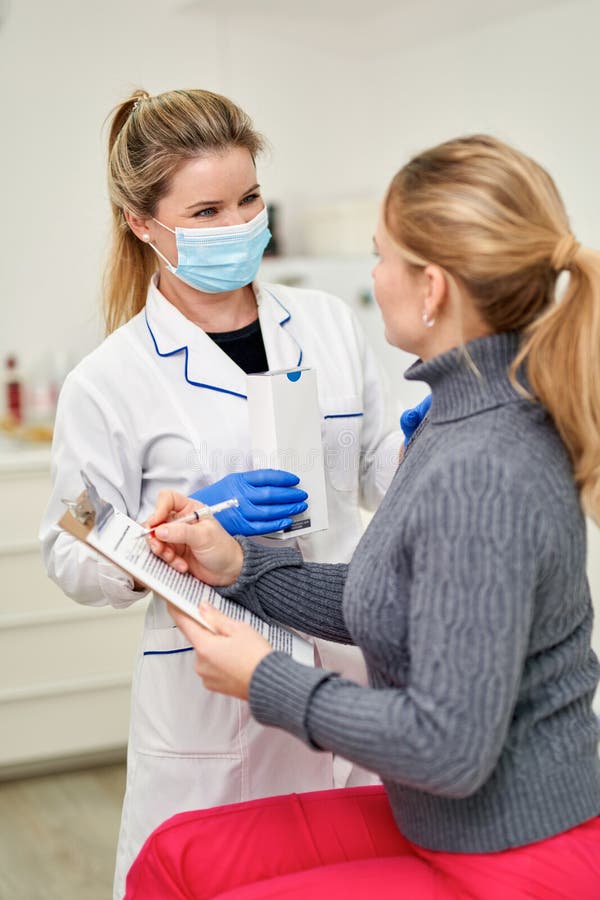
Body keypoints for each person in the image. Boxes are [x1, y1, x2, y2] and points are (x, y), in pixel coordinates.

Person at [125, 134, 600, 899]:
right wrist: (242, 567)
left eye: (381, 258)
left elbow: (448, 748)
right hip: (449, 823)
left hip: (514, 850)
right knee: (175, 853)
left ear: (433, 288)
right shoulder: (458, 417)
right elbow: (398, 596)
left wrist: (262, 678)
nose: (373, 279)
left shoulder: (482, 467)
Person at [39, 87, 418, 899]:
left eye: (249, 199)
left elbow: (384, 470)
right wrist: (190, 520)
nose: (238, 225)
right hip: (216, 691)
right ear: (143, 222)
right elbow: (72, 551)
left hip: (349, 665)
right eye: (206, 211)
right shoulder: (109, 380)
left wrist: (435, 448)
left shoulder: (324, 323)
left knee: (361, 877)